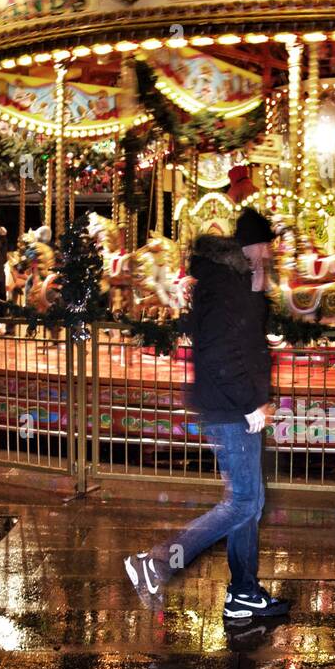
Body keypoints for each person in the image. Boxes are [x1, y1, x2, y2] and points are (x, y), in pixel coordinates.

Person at [124, 207, 290, 620]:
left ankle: (244, 592)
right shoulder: (227, 288)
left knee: (250, 504)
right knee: (242, 503)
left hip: (235, 405)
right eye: (266, 246)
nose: (271, 254)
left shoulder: (238, 284)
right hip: (230, 408)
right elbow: (219, 353)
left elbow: (242, 343)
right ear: (252, 247)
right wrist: (249, 402)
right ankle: (157, 562)